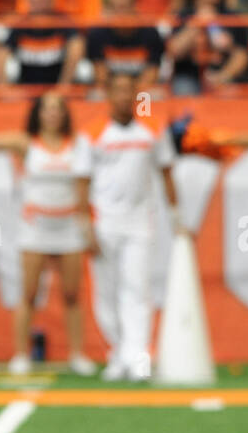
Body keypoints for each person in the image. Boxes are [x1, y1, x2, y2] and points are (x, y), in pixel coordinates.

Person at [0, 93, 98, 377]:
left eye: (57, 109)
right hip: (35, 227)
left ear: (65, 115)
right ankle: (21, 354)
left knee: (73, 293)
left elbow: (84, 186)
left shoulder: (77, 145)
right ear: (38, 114)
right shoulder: (26, 144)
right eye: (47, 109)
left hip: (68, 227)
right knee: (28, 293)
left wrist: (87, 227)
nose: (52, 114)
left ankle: (77, 354)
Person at [72, 71, 183, 382]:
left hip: (139, 222)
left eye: (129, 91)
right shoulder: (92, 133)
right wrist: (85, 225)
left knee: (137, 289)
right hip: (104, 222)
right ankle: (118, 352)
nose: (123, 97)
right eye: (117, 90)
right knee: (106, 293)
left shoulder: (152, 129)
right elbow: (81, 182)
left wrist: (176, 216)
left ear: (137, 96)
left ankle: (138, 356)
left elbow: (166, 173)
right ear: (107, 94)